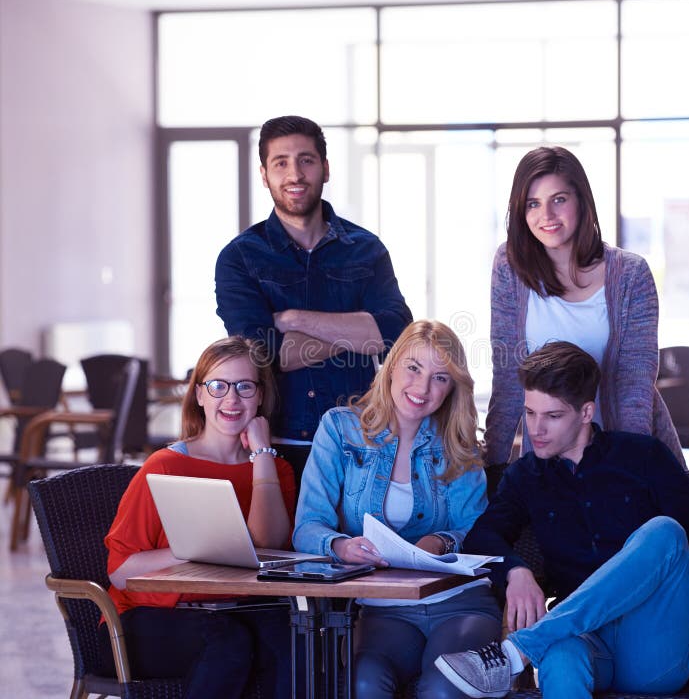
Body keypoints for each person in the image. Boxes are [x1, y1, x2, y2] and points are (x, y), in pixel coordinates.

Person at [434, 341, 689, 699]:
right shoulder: (525, 476)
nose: (536, 429)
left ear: (586, 413)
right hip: (586, 643)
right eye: (530, 413)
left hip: (651, 651)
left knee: (665, 532)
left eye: (552, 416)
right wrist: (516, 572)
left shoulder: (642, 456)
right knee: (560, 657)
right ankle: (525, 649)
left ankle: (515, 653)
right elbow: (483, 536)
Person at [293, 319, 502, 698]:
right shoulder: (340, 430)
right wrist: (340, 546)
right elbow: (307, 525)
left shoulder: (457, 442)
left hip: (458, 601)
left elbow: (477, 529)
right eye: (414, 368)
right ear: (391, 366)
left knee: (442, 687)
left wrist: (440, 542)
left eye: (440, 378)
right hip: (382, 610)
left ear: (451, 388)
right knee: (364, 684)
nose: (422, 388)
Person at [215, 114, 413, 488]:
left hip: (361, 443)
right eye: (281, 162)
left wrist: (293, 318)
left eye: (306, 160)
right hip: (273, 446)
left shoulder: (367, 251)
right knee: (277, 547)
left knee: (355, 547)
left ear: (325, 168)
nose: (295, 174)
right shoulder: (239, 258)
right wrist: (354, 332)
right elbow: (263, 354)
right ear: (264, 174)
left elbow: (396, 336)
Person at [99, 337, 299, 698]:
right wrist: (199, 550)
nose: (232, 399)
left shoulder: (276, 470)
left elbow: (270, 544)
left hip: (245, 609)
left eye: (245, 386)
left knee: (295, 645)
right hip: (154, 616)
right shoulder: (165, 466)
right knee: (228, 643)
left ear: (261, 396)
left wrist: (263, 455)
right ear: (200, 395)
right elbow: (120, 571)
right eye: (218, 386)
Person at [484, 145, 682, 492]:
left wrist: (624, 473)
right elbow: (508, 380)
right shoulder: (509, 268)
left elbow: (634, 382)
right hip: (550, 460)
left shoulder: (630, 274)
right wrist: (493, 469)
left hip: (626, 452)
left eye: (559, 199)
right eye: (533, 203)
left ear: (582, 201)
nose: (546, 214)